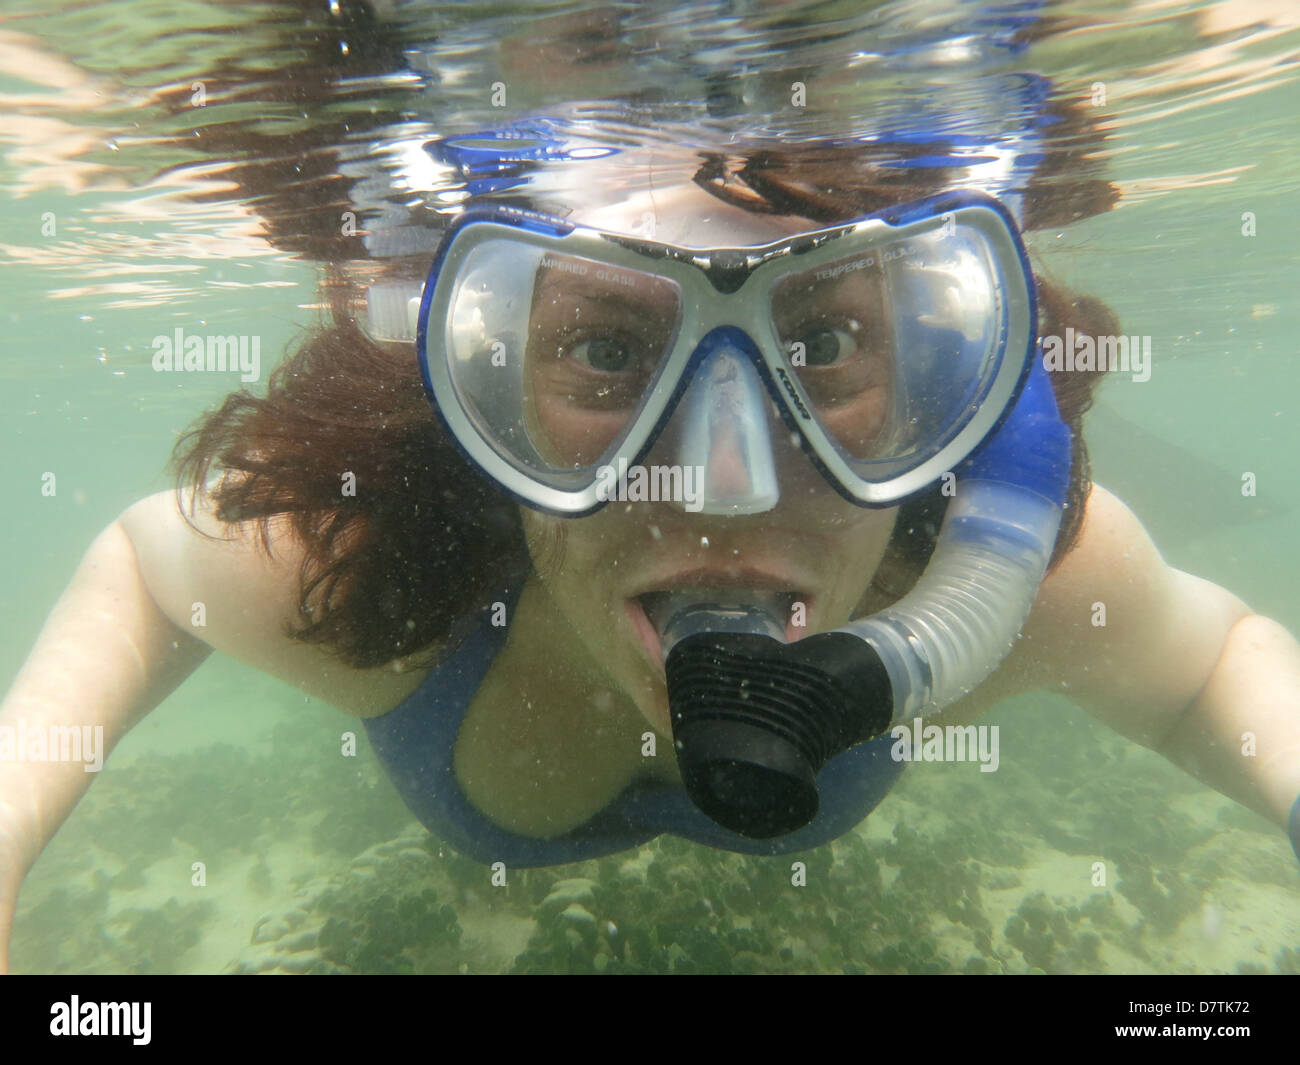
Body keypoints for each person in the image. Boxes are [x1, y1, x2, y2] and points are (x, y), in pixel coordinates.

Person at [3, 9, 1299, 975]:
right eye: (613, 352)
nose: (727, 494)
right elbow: (145, 573)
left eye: (826, 344)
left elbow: (1212, 670)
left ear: (933, 378)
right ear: (488, 381)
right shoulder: (373, 560)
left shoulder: (985, 572)